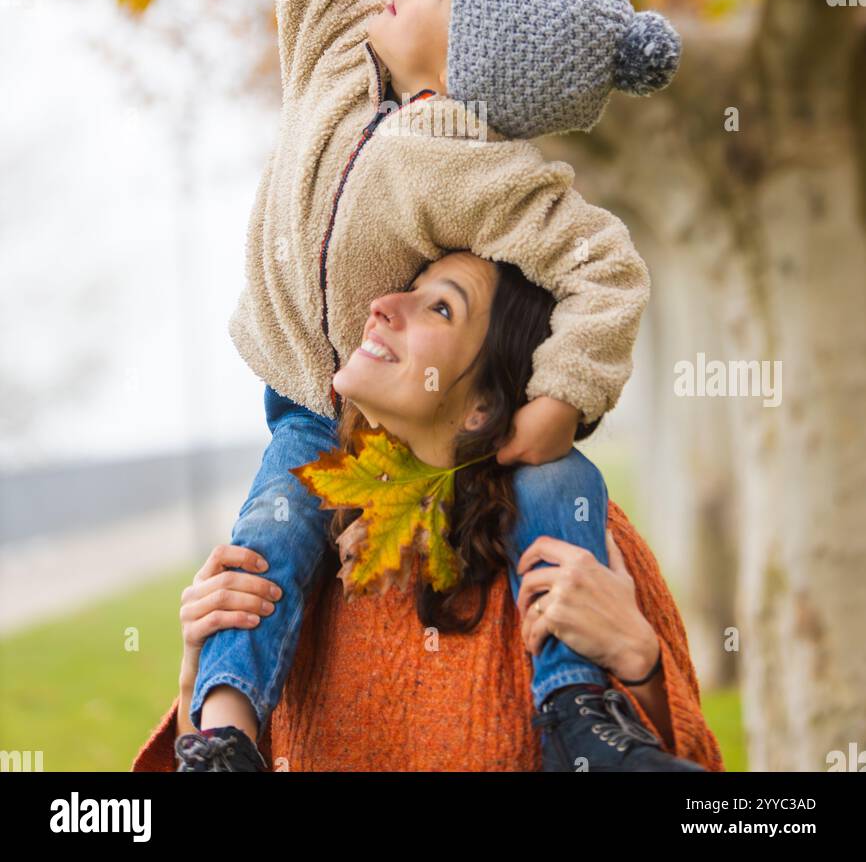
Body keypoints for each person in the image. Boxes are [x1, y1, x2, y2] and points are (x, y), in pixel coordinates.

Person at [185, 0, 683, 769]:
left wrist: (559, 399)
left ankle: (576, 710)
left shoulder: (468, 169)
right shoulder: (330, 61)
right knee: (266, 545)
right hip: (300, 390)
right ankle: (223, 729)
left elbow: (604, 264)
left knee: (303, 520)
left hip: (339, 423)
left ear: (468, 72)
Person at [133, 254, 722, 773]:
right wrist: (195, 680)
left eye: (440, 309)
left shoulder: (579, 544)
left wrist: (639, 666)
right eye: (406, 288)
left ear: (483, 406)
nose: (384, 305)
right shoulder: (301, 551)